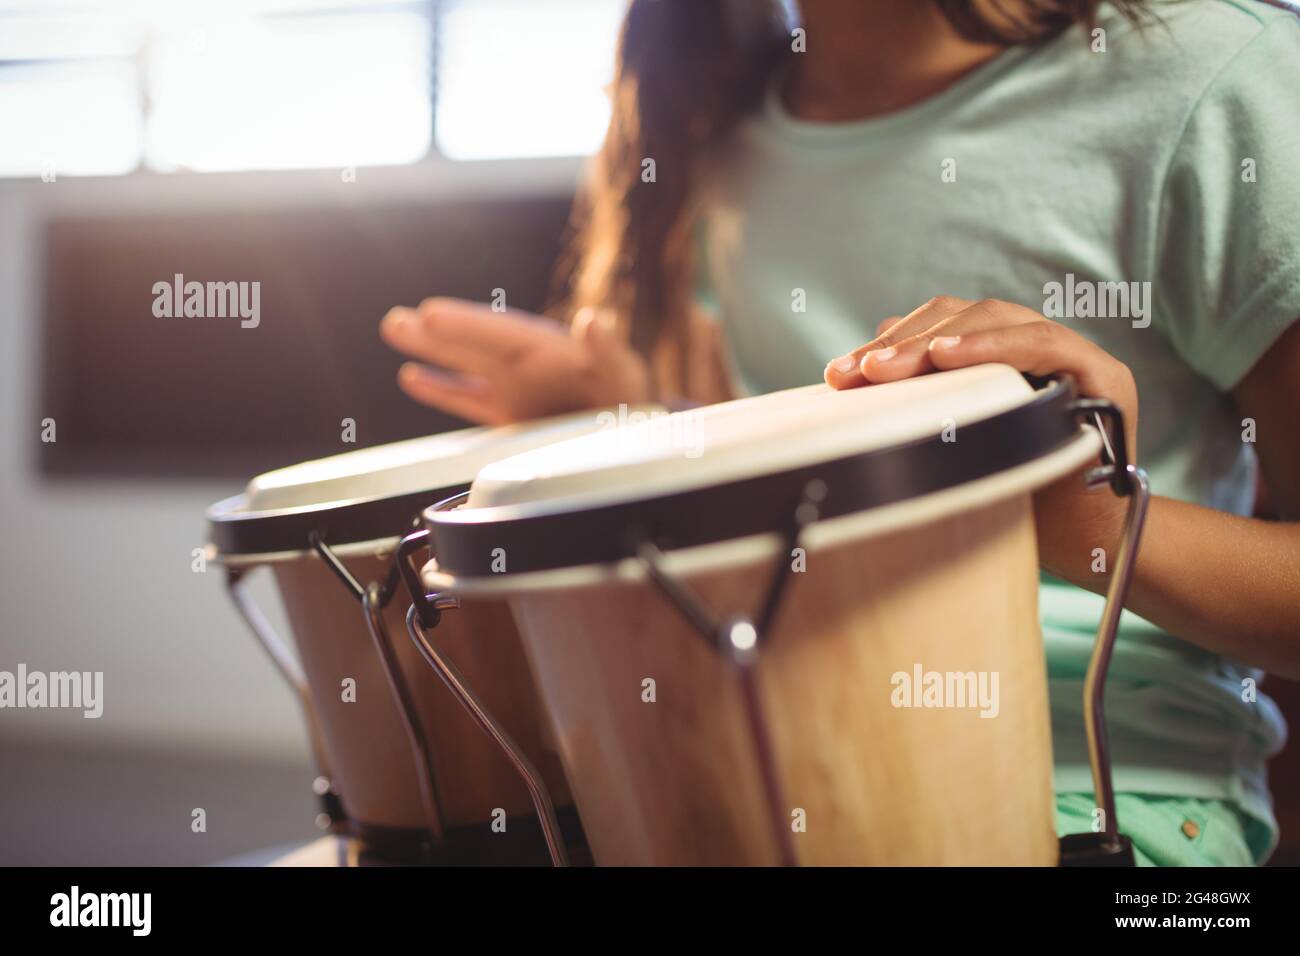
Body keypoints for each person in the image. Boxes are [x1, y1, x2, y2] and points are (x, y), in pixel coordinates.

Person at [380, 0, 1300, 865]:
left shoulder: (1211, 78)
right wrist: (628, 432)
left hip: (1097, 796)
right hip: (742, 775)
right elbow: (780, 507)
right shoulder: (716, 136)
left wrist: (1093, 527)